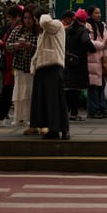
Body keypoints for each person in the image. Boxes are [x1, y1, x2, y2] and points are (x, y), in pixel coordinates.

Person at [29, 8, 69, 139]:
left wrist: (43, 16)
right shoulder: (45, 31)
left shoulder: (55, 24)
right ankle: (53, 128)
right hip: (42, 68)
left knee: (55, 100)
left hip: (52, 66)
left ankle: (62, 129)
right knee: (45, 101)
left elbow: (45, 22)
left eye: (35, 19)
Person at [0, 5, 22, 125]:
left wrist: (3, 43)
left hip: (14, 63)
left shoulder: (17, 28)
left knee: (9, 89)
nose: (10, 20)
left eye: (11, 18)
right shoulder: (12, 27)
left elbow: (12, 44)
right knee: (10, 89)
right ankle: (1, 116)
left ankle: (0, 116)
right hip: (10, 63)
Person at [7, 6, 39, 132]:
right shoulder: (17, 30)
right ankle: (18, 117)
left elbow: (39, 49)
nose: (27, 21)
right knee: (19, 93)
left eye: (30, 18)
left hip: (32, 67)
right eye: (25, 18)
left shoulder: (38, 31)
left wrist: (29, 46)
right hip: (19, 66)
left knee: (30, 93)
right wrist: (15, 46)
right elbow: (8, 45)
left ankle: (30, 117)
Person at [84, 6, 107, 119]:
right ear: (90, 14)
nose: (98, 15)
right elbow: (89, 42)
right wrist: (102, 45)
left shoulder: (102, 25)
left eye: (99, 13)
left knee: (101, 85)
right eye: (96, 13)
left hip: (102, 59)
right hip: (92, 59)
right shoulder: (87, 26)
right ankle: (93, 111)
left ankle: (102, 109)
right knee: (93, 86)